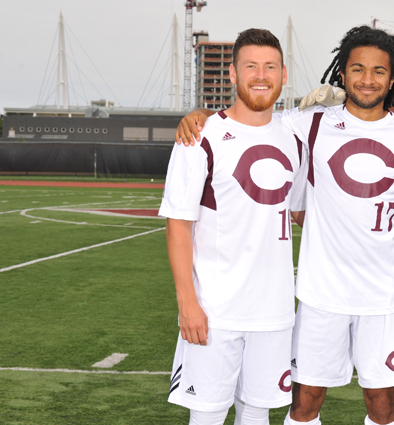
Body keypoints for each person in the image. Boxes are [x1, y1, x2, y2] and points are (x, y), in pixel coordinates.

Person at [175, 26, 394, 425]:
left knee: (384, 407)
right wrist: (200, 117)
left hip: (381, 293)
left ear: (393, 77)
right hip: (319, 293)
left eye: (378, 72)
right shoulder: (307, 124)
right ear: (342, 74)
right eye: (357, 69)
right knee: (303, 405)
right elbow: (252, 121)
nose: (367, 79)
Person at [160, 28, 305, 425]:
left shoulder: (295, 140)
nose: (261, 75)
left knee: (257, 414)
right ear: (232, 73)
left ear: (283, 74)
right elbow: (178, 224)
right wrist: (187, 302)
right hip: (215, 309)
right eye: (251, 66)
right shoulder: (200, 135)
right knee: (206, 416)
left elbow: (299, 213)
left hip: (274, 311)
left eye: (270, 66)